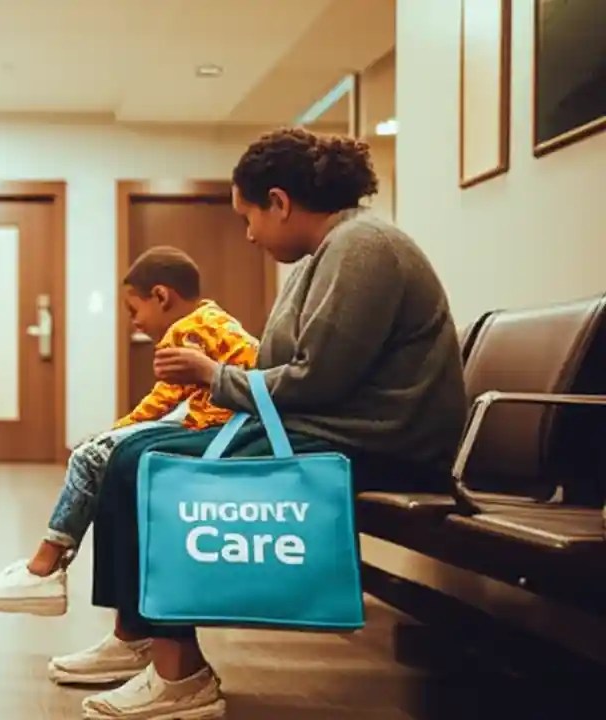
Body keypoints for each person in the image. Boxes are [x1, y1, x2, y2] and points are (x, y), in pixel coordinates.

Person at [56, 128, 468, 720]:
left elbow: (316, 378)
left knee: (150, 467)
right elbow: (286, 369)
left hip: (376, 443)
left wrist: (211, 373)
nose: (248, 234)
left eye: (249, 217)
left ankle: (180, 677)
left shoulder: (364, 248)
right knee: (133, 452)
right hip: (335, 429)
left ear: (279, 202)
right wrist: (221, 378)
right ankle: (136, 640)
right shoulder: (323, 256)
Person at [0, 247, 259, 618]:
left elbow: (164, 398)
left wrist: (116, 431)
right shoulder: (216, 319)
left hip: (217, 426)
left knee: (92, 453)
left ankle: (45, 567)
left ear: (162, 297)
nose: (134, 323)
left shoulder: (184, 331)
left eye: (134, 311)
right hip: (236, 421)